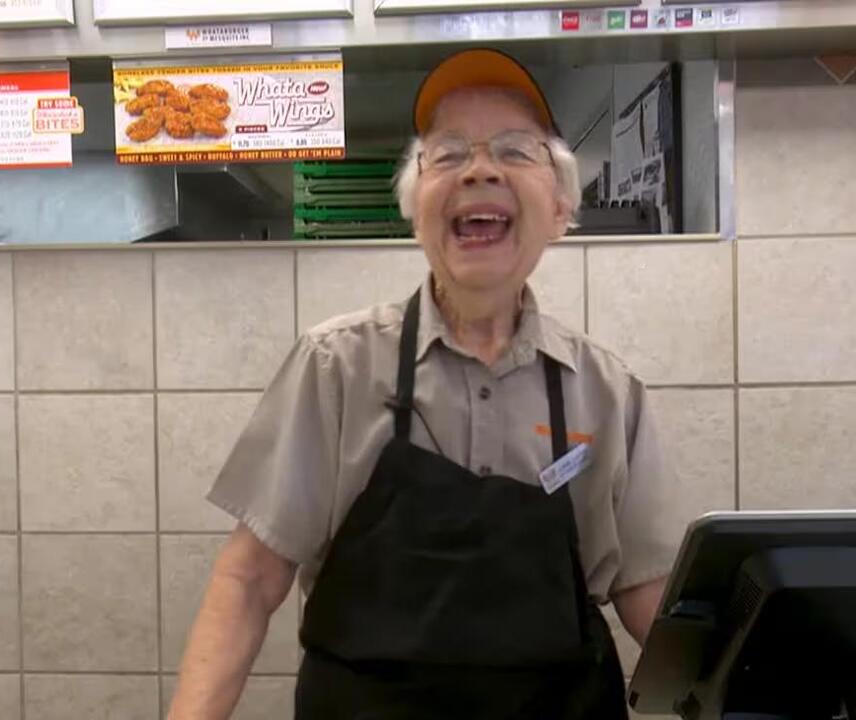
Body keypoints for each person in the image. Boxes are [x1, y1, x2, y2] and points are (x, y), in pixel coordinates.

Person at [168, 48, 679, 720]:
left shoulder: (607, 391)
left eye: (515, 150)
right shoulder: (337, 367)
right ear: (416, 211)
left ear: (559, 209)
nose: (481, 168)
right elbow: (249, 579)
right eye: (448, 153)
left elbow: (648, 592)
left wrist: (753, 689)